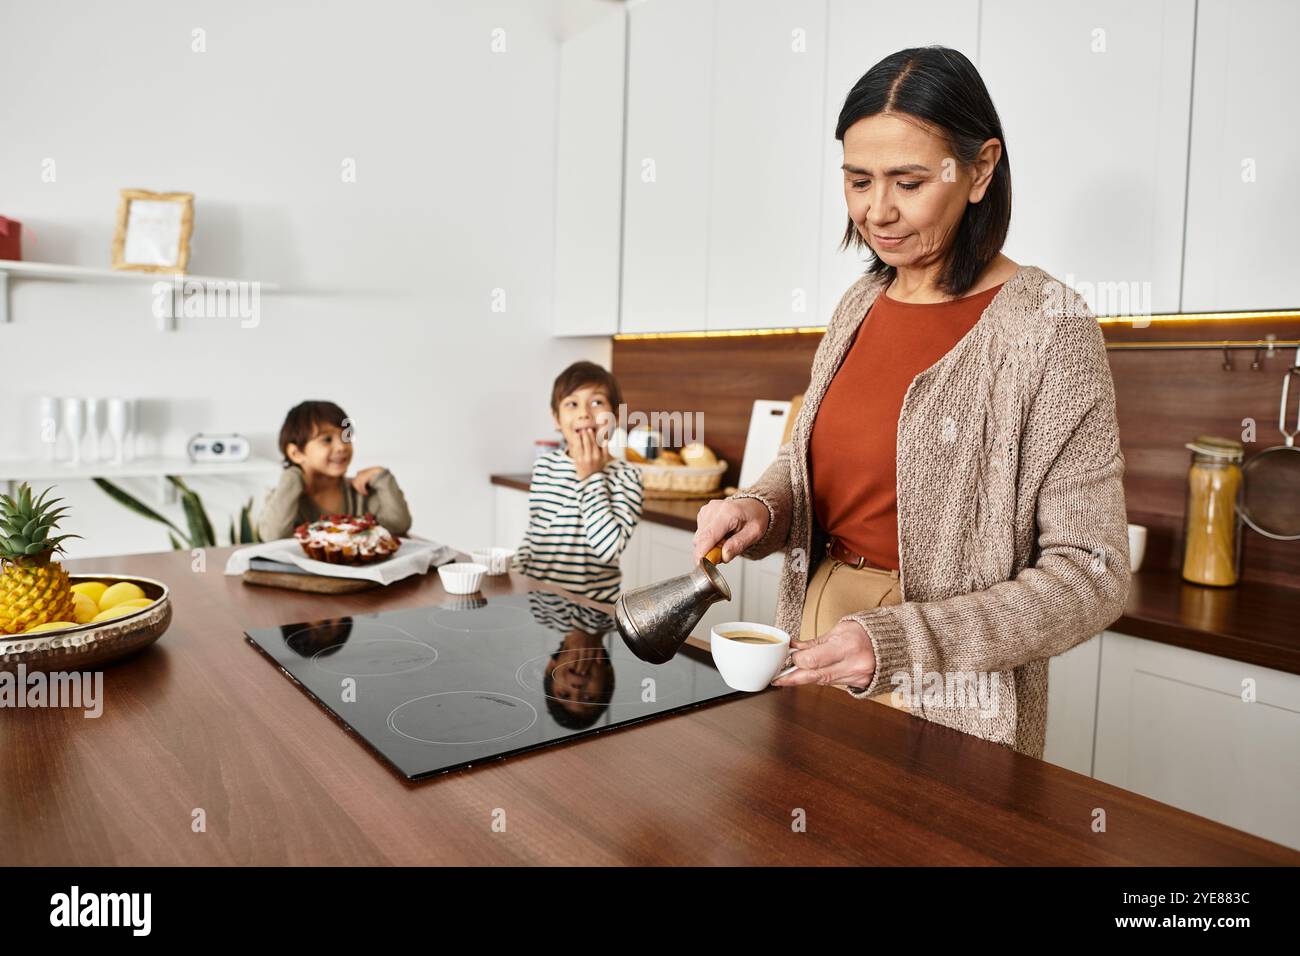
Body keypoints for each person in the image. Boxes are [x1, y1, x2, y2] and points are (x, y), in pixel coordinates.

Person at [692, 46, 1131, 759]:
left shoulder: (1049, 323)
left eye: (909, 181)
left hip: (949, 680)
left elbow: (1094, 574)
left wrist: (899, 641)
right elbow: (815, 467)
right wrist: (763, 509)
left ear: (981, 169)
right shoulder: (859, 303)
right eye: (858, 180)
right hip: (821, 632)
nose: (877, 210)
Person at [514, 361, 644, 602]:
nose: (584, 412)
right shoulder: (545, 467)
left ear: (615, 416)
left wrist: (591, 477)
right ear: (556, 418)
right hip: (539, 601)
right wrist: (514, 574)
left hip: (593, 609)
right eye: (572, 404)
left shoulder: (628, 477)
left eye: (596, 402)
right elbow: (536, 535)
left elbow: (606, 549)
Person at [257, 400, 412, 541]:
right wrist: (292, 476)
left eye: (347, 437)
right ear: (296, 454)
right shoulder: (285, 498)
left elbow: (398, 525)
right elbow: (272, 537)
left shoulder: (361, 493)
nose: (342, 447)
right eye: (327, 440)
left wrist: (381, 477)